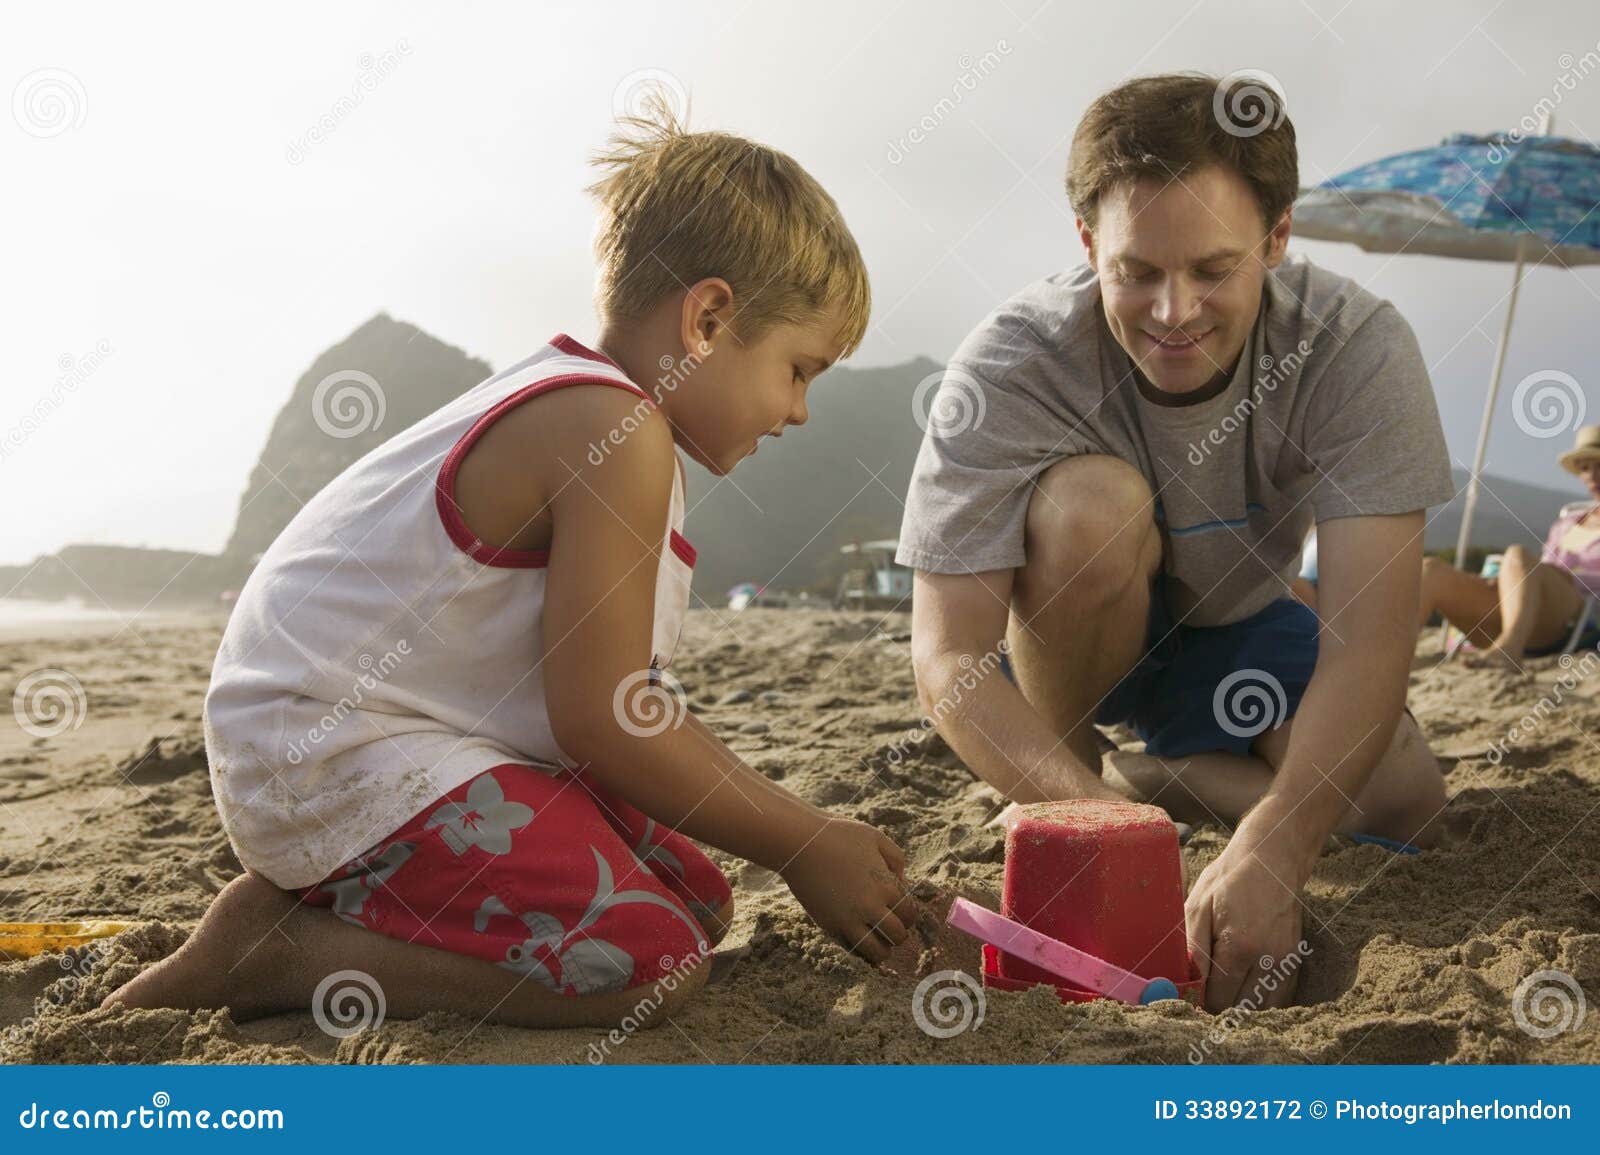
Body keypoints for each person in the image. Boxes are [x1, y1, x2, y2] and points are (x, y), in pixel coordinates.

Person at [104, 99, 918, 1029]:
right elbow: (602, 720)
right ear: (709, 319)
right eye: (799, 369)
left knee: (695, 897)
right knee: (647, 963)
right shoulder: (612, 430)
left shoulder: (604, 418)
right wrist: (803, 838)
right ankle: (280, 949)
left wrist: (796, 834)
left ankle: (338, 913)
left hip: (398, 739)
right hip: (329, 756)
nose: (800, 409)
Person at [898, 73, 1453, 1013]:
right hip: (1083, 622)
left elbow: (1373, 639)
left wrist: (1276, 847)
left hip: (1236, 626)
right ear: (1087, 244)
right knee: (1091, 508)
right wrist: (1089, 823)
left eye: (1212, 270)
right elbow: (948, 652)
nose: (1173, 312)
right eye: (1138, 271)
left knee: (1402, 800)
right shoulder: (1013, 360)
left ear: (1277, 239)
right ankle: (1079, 776)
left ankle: (1149, 777)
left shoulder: (1357, 347)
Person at [1419, 424, 1600, 670]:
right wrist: (1511, 578)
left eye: (1599, 464)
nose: (1592, 475)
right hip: (1531, 608)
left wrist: (1560, 576)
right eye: (1585, 467)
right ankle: (1384, 656)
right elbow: (1541, 567)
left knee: (1517, 554)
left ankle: (1509, 648)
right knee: (1431, 571)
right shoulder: (1566, 523)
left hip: (1575, 615)